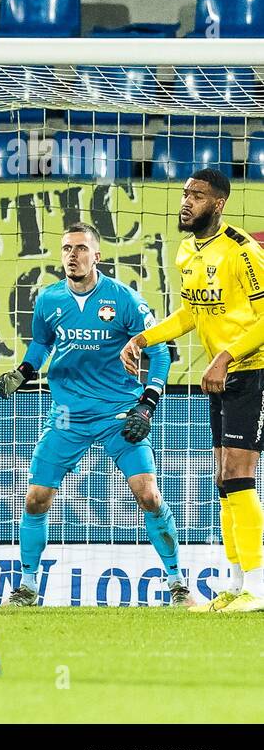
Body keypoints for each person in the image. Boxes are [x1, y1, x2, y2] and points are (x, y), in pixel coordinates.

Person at [0, 224, 184, 606]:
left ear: (96, 256)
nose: (72, 255)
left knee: (147, 495)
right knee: (35, 499)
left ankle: (177, 581)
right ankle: (28, 586)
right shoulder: (49, 300)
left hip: (118, 413)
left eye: (81, 249)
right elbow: (41, 343)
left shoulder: (124, 300)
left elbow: (160, 351)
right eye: (66, 248)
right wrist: (25, 372)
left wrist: (146, 405)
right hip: (67, 414)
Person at [121, 169, 264, 613]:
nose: (186, 202)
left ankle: (259, 589)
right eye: (185, 193)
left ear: (218, 204)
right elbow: (189, 313)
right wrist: (144, 337)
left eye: (197, 195)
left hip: (253, 370)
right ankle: (237, 584)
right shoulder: (186, 251)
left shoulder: (243, 252)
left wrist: (225, 355)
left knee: (239, 477)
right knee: (223, 480)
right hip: (220, 377)